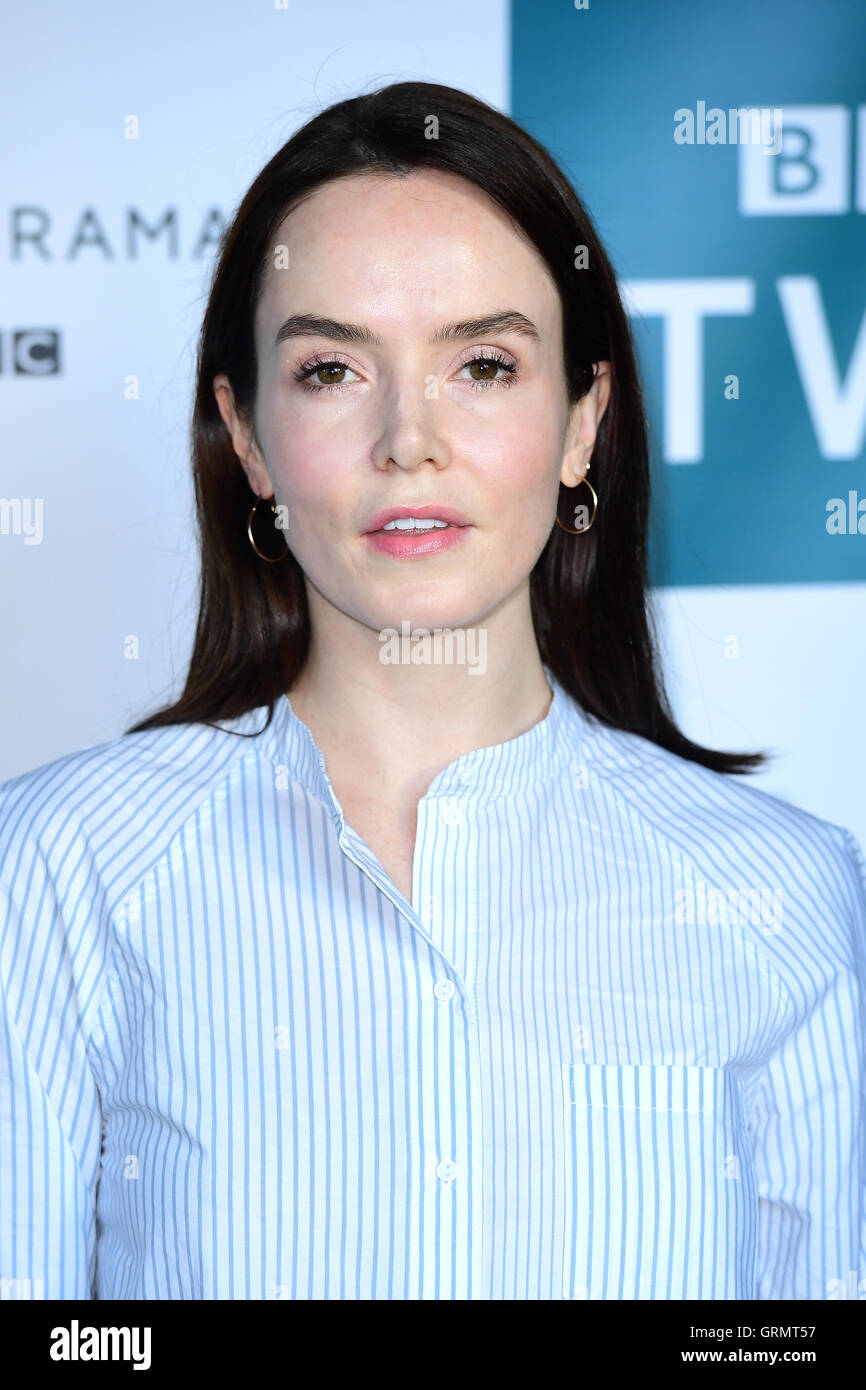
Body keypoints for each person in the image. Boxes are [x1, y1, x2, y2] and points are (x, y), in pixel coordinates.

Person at [1, 80, 864, 1302]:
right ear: (245, 439)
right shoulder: (52, 873)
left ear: (582, 422)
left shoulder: (784, 895)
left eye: (483, 363)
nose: (409, 438)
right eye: (330, 370)